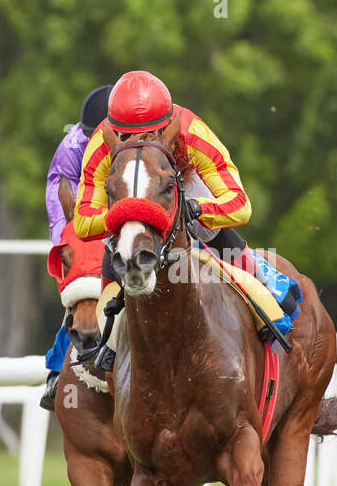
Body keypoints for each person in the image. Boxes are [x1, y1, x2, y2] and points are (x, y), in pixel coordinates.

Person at [75, 70, 277, 371]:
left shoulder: (194, 133)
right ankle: (109, 345)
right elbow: (83, 222)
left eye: (151, 134)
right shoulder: (100, 146)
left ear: (168, 127)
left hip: (184, 188)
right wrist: (125, 214)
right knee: (114, 256)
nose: (139, 144)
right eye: (127, 137)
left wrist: (194, 209)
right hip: (130, 198)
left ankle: (272, 306)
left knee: (233, 253)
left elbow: (240, 206)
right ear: (112, 131)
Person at [39, 84, 111, 410]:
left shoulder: (144, 139)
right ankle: (57, 370)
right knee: (83, 279)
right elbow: (63, 214)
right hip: (82, 208)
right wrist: (71, 244)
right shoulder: (72, 149)